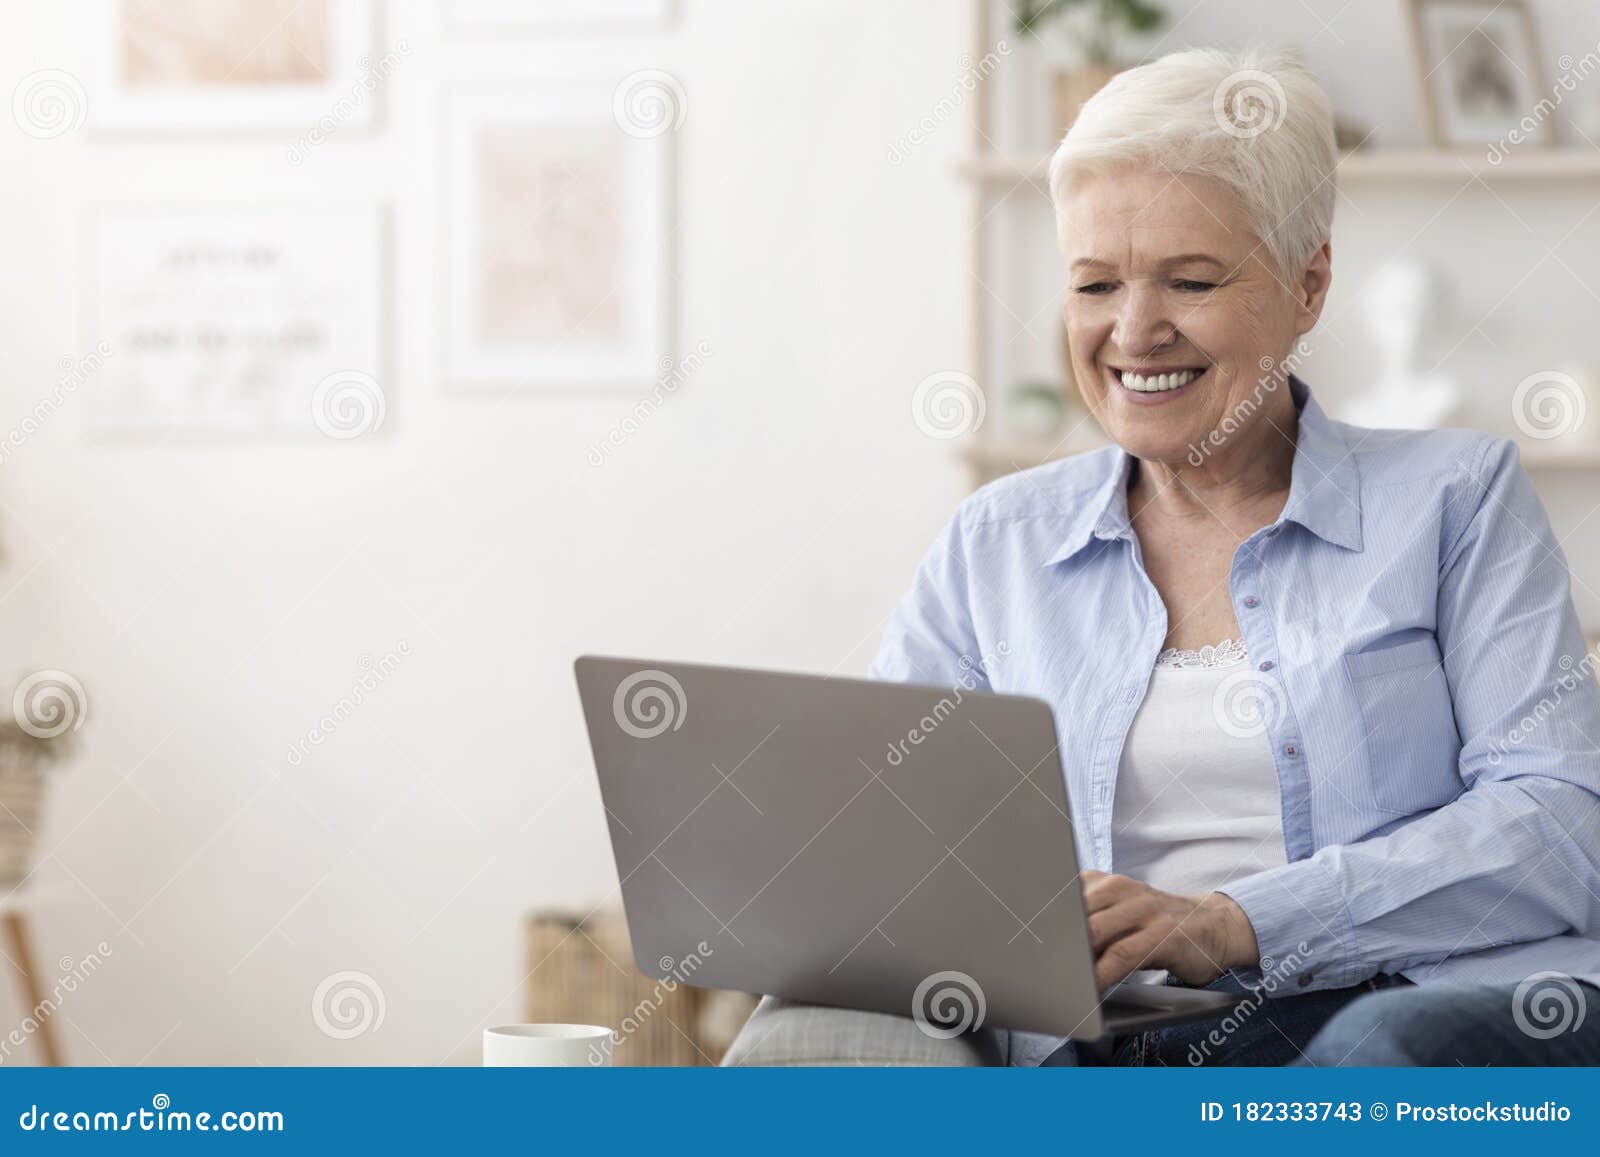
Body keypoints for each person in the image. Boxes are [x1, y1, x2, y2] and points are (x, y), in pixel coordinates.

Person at [873, 47, 1600, 1065]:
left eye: (1190, 279)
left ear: (1308, 285)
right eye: (1094, 283)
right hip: (1099, 1041)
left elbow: (1562, 821)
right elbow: (887, 832)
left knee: (1375, 1054)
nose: (1133, 330)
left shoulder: (1454, 499)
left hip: (1379, 1008)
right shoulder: (996, 542)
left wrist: (1230, 921)